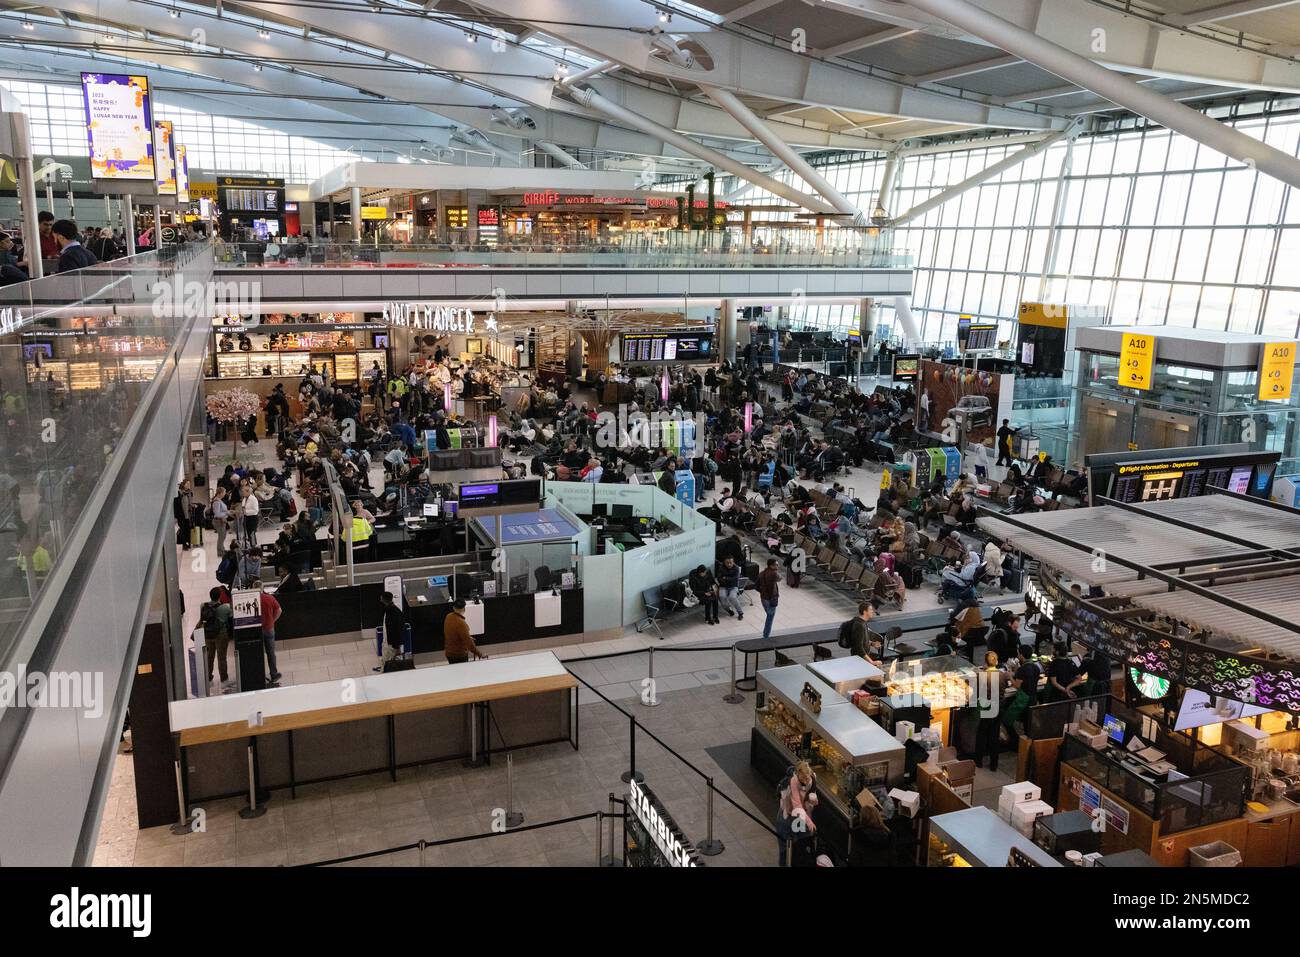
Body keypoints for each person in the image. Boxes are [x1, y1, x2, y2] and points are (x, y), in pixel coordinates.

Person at [776, 760, 818, 867]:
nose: (805, 780)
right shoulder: (793, 782)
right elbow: (797, 806)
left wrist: (814, 801)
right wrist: (809, 823)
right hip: (787, 816)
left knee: (803, 846)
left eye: (807, 777)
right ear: (797, 774)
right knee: (785, 850)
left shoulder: (812, 778)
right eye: (802, 778)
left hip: (801, 817)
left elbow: (811, 795)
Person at [199, 586, 233, 690]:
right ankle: (224, 679)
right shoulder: (225, 607)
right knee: (221, 658)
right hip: (221, 635)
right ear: (219, 596)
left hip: (208, 635)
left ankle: (208, 679)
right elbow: (230, 619)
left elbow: (202, 619)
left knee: (210, 656)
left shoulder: (203, 606)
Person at [974, 651, 1003, 771]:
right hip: (998, 707)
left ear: (985, 662)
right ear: (996, 661)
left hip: (987, 706)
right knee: (994, 735)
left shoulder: (982, 675)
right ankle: (993, 764)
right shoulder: (1003, 674)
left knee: (982, 734)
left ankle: (978, 761)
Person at [443, 597, 485, 664]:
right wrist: (479, 654)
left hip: (449, 653)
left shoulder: (448, 616)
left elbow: (452, 633)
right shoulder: (461, 623)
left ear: (453, 608)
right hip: (459, 655)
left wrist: (466, 636)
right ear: (464, 609)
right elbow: (469, 643)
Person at [259, 583, 283, 686]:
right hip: (269, 628)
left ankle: (259, 674)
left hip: (257, 630)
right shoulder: (269, 598)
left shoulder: (253, 600)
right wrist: (272, 620)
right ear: (262, 588)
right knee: (271, 653)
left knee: (258, 653)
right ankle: (274, 674)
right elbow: (279, 610)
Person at [379, 590, 407, 662]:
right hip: (389, 642)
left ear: (382, 599)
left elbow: (397, 630)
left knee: (388, 661)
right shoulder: (391, 610)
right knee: (388, 660)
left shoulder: (392, 613)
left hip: (391, 644)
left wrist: (397, 647)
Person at [757, 557, 780, 639]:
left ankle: (766, 634)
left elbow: (757, 585)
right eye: (776, 565)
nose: (778, 566)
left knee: (769, 615)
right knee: (770, 617)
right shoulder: (774, 574)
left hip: (763, 598)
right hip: (771, 599)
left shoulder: (762, 573)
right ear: (771, 566)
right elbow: (780, 578)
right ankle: (766, 635)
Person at [717, 555, 743, 621]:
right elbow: (719, 578)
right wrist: (728, 579)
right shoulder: (721, 567)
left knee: (733, 597)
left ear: (733, 562)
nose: (729, 564)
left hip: (733, 586)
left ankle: (740, 613)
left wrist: (725, 578)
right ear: (724, 562)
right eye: (727, 563)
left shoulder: (736, 568)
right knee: (722, 597)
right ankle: (729, 610)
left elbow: (735, 578)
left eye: (730, 562)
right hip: (723, 586)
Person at [173, 479, 194, 551]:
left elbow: (190, 502)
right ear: (183, 484)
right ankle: (184, 544)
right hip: (181, 515)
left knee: (188, 529)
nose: (188, 485)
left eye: (189, 484)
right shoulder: (179, 493)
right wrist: (177, 516)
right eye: (187, 484)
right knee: (183, 530)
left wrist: (193, 506)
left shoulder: (190, 493)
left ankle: (188, 542)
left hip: (189, 514)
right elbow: (176, 505)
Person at [208, 486, 230, 553]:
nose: (225, 494)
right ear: (220, 493)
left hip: (221, 521)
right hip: (218, 521)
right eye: (224, 492)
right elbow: (217, 514)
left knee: (223, 536)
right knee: (221, 537)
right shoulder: (217, 502)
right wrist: (226, 513)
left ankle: (222, 549)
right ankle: (220, 551)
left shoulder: (219, 500)